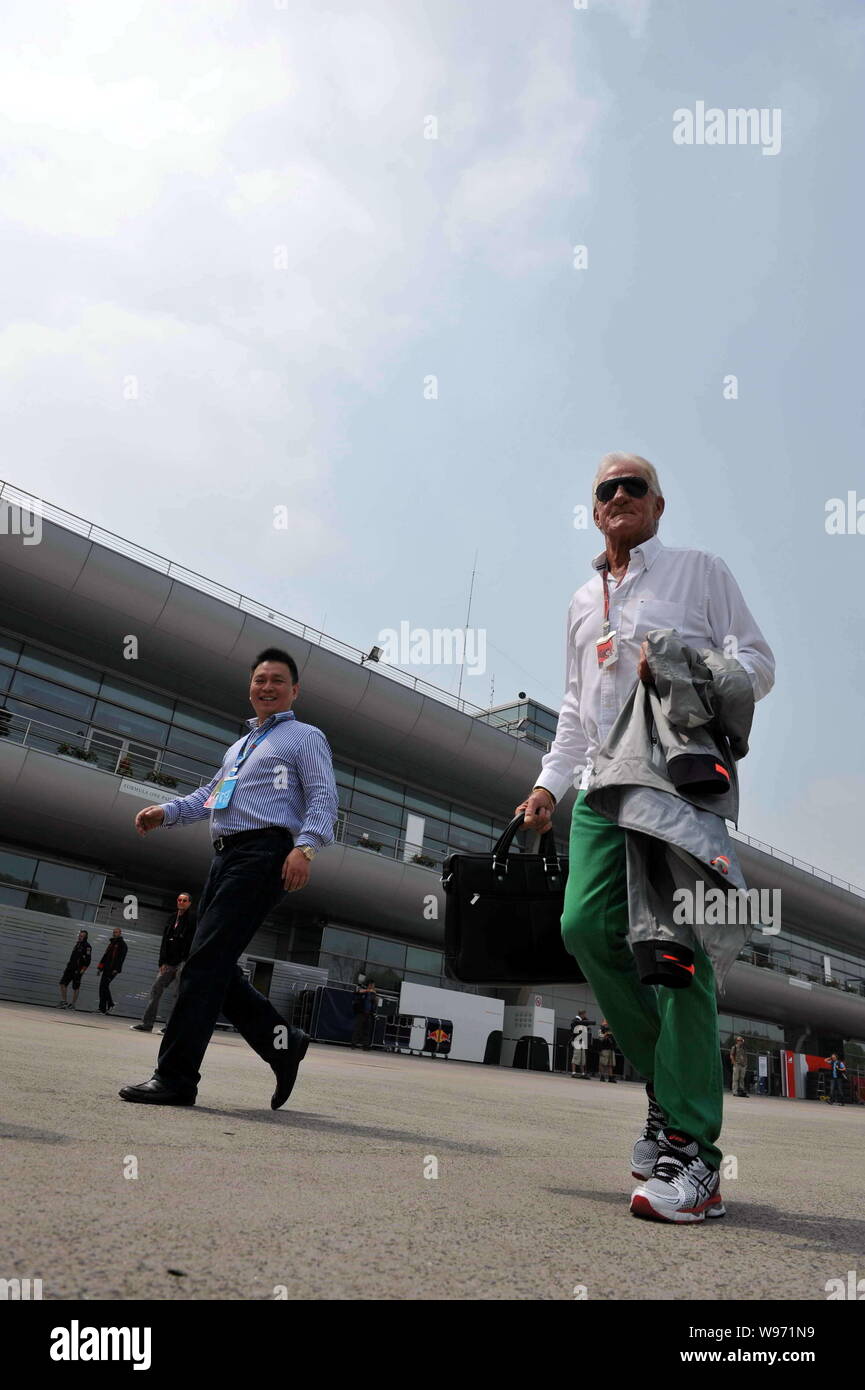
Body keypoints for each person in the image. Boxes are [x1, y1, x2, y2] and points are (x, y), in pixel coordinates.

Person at [517, 452, 775, 1224]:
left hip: (677, 780)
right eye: (607, 489)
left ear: (657, 507)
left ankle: (695, 1157)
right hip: (602, 786)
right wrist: (545, 786)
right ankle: (667, 1092)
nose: (621, 496)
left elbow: (758, 665)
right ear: (594, 510)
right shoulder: (578, 600)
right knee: (584, 929)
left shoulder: (699, 570)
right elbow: (572, 705)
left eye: (636, 487)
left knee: (678, 956)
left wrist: (677, 664)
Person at [120, 648, 338, 1108]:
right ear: (250, 686)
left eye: (277, 680)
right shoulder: (240, 745)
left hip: (266, 854)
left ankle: (176, 1078)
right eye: (260, 679)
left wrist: (306, 847)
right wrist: (167, 811)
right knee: (209, 963)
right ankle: (284, 1041)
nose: (266, 687)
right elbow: (211, 795)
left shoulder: (304, 737)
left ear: (294, 690)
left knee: (203, 964)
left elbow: (323, 797)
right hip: (225, 857)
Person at [130, 892, 197, 1034]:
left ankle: (171, 1027)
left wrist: (187, 960)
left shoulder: (193, 919)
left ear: (190, 903)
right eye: (179, 900)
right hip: (168, 962)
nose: (181, 902)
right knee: (156, 989)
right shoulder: (172, 917)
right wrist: (162, 961)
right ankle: (147, 1024)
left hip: (183, 962)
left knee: (177, 994)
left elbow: (192, 941)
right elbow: (165, 940)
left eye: (185, 900)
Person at [96, 927, 128, 1013]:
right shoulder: (111, 943)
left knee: (104, 986)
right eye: (113, 932)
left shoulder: (122, 945)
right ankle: (102, 1008)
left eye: (116, 932)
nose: (114, 933)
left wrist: (116, 969)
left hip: (113, 970)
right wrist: (100, 968)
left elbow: (121, 958)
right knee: (102, 987)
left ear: (120, 933)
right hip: (106, 968)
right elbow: (105, 956)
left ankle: (110, 1004)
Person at [59, 930, 91, 1009]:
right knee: (62, 983)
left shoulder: (87, 946)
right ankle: (64, 1002)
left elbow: (88, 960)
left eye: (82, 936)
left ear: (85, 937)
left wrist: (82, 971)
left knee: (76, 987)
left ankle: (73, 1004)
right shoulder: (77, 944)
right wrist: (67, 967)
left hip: (78, 970)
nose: (80, 937)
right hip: (70, 968)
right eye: (79, 935)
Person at [351, 981, 379, 1050]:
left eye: (373, 986)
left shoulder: (373, 994)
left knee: (366, 1031)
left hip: (369, 1014)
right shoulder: (363, 991)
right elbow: (356, 992)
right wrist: (367, 990)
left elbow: (374, 1004)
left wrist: (375, 1000)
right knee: (358, 1029)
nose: (373, 987)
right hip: (361, 1013)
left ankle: (365, 1046)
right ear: (369, 985)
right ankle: (353, 1044)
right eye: (372, 985)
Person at [570, 1011, 594, 1078]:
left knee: (582, 1059)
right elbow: (574, 1028)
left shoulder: (583, 1021)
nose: (585, 1015)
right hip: (577, 1041)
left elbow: (588, 1022)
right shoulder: (575, 1020)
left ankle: (583, 1073)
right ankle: (573, 1072)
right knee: (576, 1057)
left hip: (582, 1041)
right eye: (585, 1014)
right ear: (581, 1014)